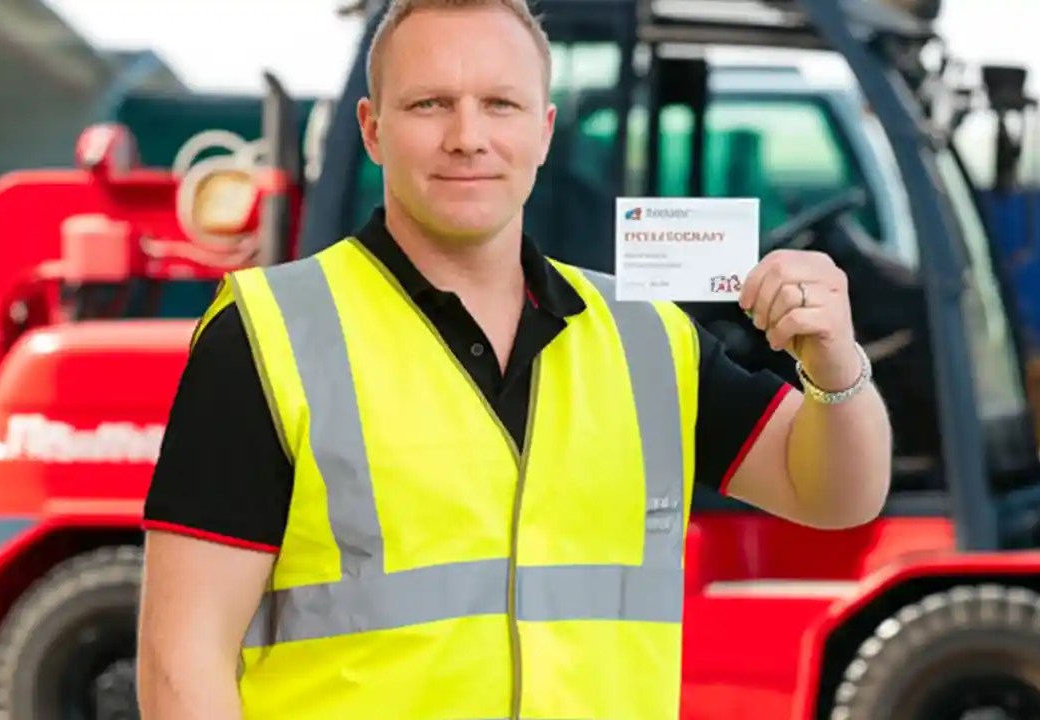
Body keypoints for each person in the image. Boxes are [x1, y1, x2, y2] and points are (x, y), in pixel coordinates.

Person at [135, 0, 893, 717]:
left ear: (544, 129)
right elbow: (183, 658)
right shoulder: (269, 336)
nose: (467, 136)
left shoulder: (647, 338)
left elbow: (835, 496)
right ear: (372, 129)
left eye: (500, 104)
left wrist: (835, 366)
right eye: (430, 104)